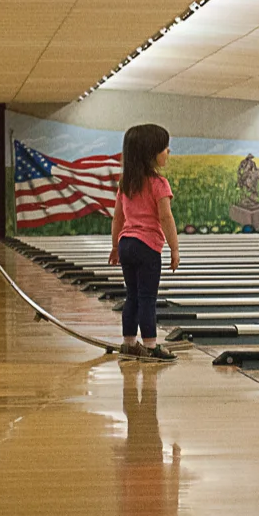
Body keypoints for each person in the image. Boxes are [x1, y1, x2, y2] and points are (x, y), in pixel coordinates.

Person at [108, 123, 180, 360]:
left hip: (127, 243)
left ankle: (129, 343)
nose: (168, 151)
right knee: (148, 298)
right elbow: (166, 217)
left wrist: (115, 247)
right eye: (164, 148)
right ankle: (150, 346)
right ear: (151, 153)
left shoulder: (125, 184)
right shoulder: (159, 184)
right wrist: (174, 248)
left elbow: (118, 216)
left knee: (132, 296)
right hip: (147, 246)